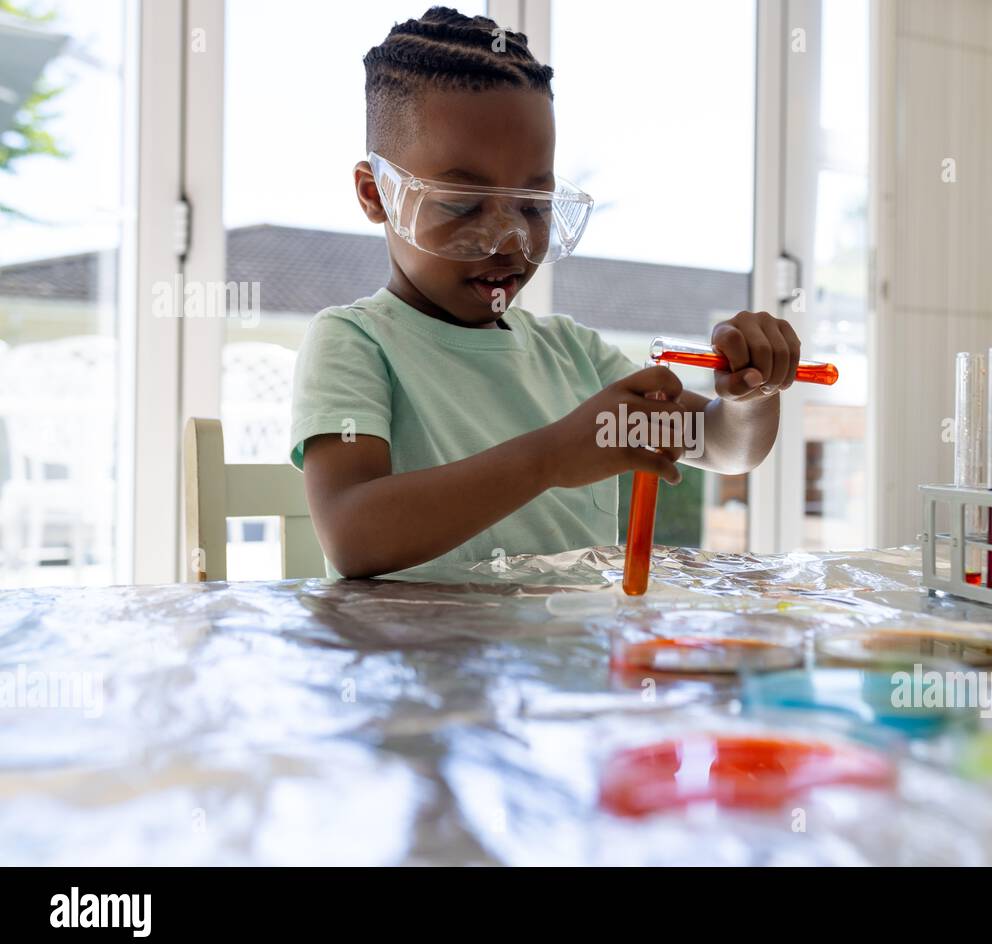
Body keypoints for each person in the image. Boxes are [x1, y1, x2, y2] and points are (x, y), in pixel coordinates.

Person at [291, 7, 801, 579]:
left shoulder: (574, 355)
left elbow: (725, 444)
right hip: (413, 640)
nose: (508, 238)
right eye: (462, 204)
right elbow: (352, 536)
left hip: (571, 638)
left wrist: (751, 395)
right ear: (375, 194)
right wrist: (553, 457)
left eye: (534, 207)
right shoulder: (355, 343)